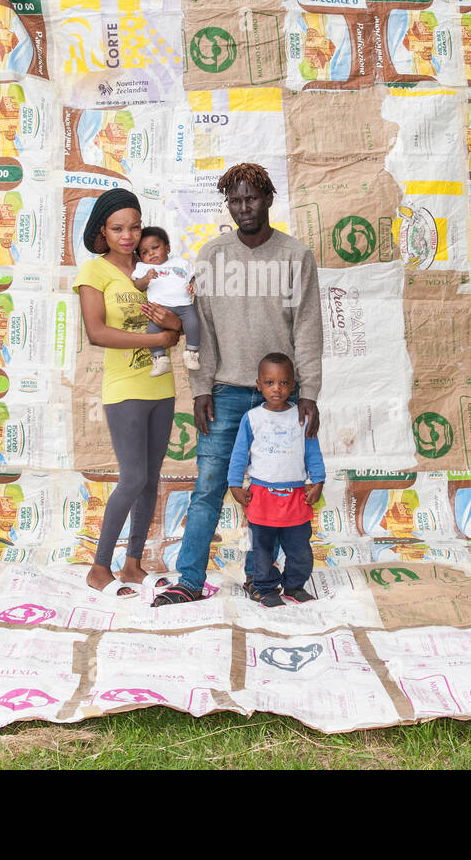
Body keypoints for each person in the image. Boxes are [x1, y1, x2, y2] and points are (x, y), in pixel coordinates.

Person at [153, 162, 323, 607]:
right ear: (228, 204)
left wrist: (309, 394)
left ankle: (259, 577)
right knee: (208, 487)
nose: (244, 208)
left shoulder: (295, 256)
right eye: (235, 200)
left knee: (271, 490)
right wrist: (200, 388)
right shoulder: (212, 255)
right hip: (226, 392)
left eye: (251, 198)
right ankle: (188, 580)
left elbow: (307, 327)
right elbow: (200, 327)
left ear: (268, 199)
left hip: (280, 400)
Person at [72, 188, 185, 598]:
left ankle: (133, 564)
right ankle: (99, 568)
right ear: (102, 230)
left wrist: (175, 325)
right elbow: (97, 331)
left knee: (151, 478)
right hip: (125, 388)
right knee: (133, 476)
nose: (128, 235)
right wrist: (160, 336)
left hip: (162, 384)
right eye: (118, 228)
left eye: (135, 227)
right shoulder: (94, 272)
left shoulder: (152, 269)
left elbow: (177, 317)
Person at [227, 353, 325, 607]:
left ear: (293, 386)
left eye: (283, 383)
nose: (276, 389)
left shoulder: (302, 417)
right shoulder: (252, 418)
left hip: (295, 496)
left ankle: (294, 586)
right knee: (262, 550)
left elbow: (313, 452)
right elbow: (239, 453)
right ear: (259, 384)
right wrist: (235, 485)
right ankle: (264, 587)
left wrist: (319, 482)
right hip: (262, 496)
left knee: (300, 549)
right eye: (269, 382)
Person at [131, 226, 200, 376]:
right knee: (152, 330)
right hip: (159, 307)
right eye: (144, 252)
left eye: (155, 247)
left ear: (167, 248)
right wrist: (147, 278)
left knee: (193, 324)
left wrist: (192, 285)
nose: (151, 253)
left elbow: (193, 277)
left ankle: (192, 353)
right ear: (140, 257)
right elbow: (138, 285)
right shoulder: (144, 267)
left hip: (184, 306)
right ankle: (160, 359)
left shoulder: (181, 262)